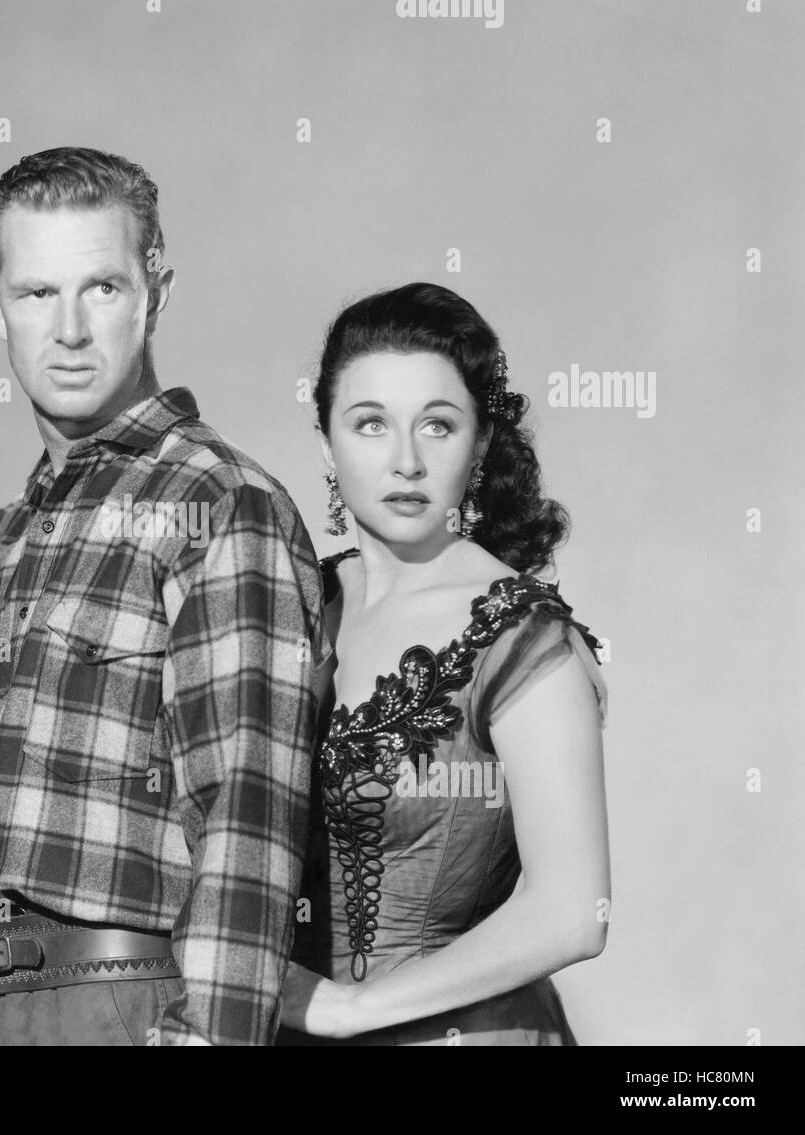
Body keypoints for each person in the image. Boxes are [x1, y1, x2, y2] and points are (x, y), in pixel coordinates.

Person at [0, 147, 328, 1046]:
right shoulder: (10, 533)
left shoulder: (215, 503)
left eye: (103, 288)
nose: (69, 329)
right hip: (5, 1005)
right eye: (38, 293)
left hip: (139, 1003)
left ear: (156, 291)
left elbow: (248, 824)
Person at [278, 282, 609, 1045]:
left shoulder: (523, 634)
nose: (405, 460)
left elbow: (573, 912)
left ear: (481, 442)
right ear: (326, 444)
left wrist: (348, 1008)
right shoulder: (292, 603)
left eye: (437, 424)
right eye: (370, 424)